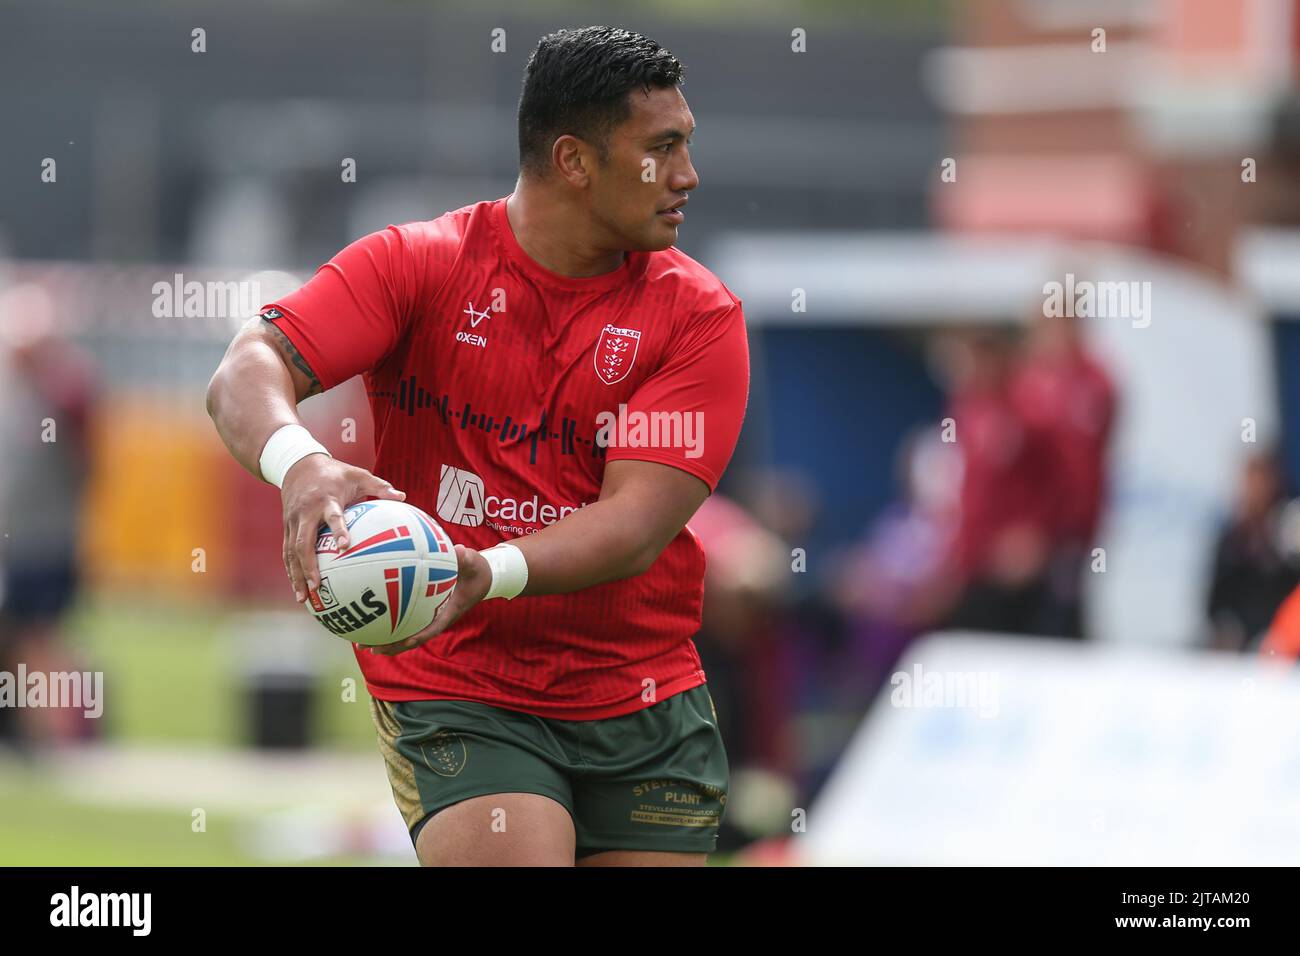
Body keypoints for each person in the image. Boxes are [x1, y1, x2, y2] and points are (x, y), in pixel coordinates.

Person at [206, 26, 750, 867]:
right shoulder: (417, 265)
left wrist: (483, 572)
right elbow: (246, 368)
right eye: (662, 148)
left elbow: (636, 523)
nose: (687, 175)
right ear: (573, 160)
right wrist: (299, 463)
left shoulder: (698, 319)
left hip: (642, 696)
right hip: (459, 683)